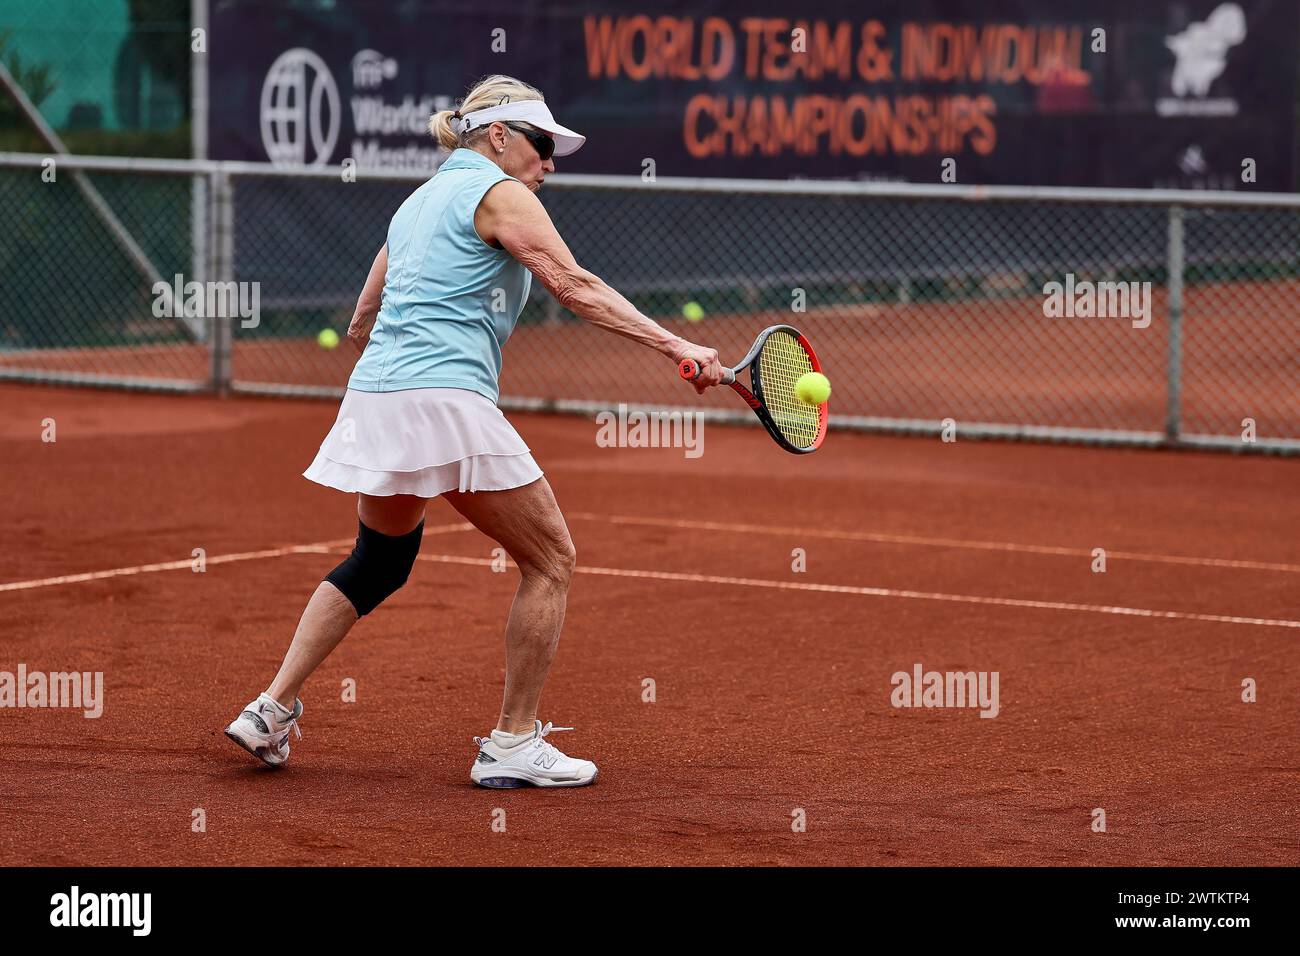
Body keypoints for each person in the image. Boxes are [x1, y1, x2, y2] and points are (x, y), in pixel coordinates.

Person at [223, 74, 724, 788]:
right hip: (444, 402)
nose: (549, 162)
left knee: (378, 561)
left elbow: (363, 322)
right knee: (551, 558)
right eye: (542, 145)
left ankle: (270, 708)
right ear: (499, 137)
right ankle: (513, 742)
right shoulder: (500, 193)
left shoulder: (416, 204)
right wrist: (678, 346)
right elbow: (572, 284)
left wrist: (402, 396)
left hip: (375, 399)